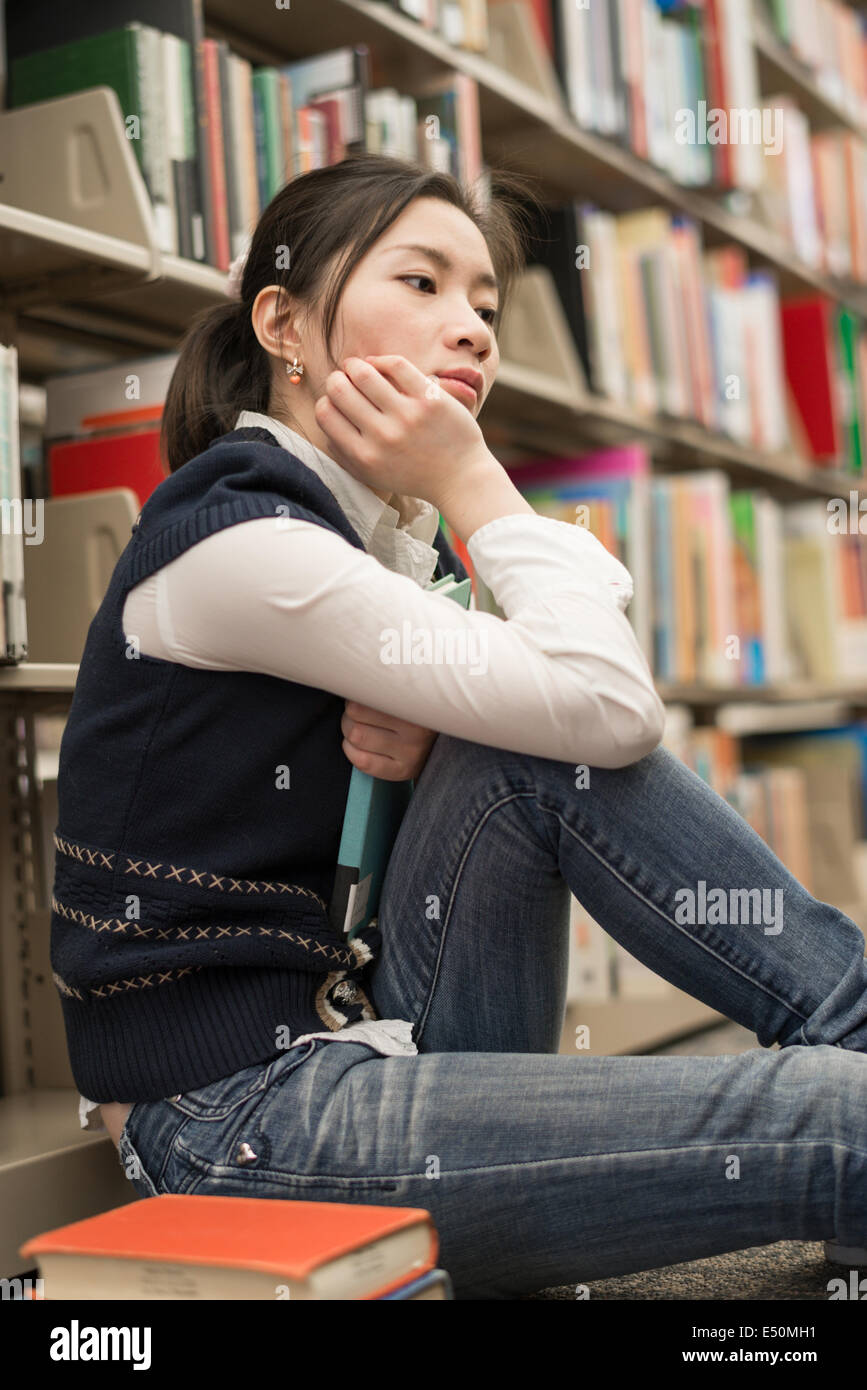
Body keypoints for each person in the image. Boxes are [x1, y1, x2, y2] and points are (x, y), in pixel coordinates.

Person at [54, 154, 867, 1300]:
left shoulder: (386, 544)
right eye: (425, 284)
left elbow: (586, 708)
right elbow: (615, 706)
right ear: (283, 323)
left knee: (516, 741)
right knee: (840, 1118)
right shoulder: (242, 544)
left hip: (366, 1038)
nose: (476, 329)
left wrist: (442, 742)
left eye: (488, 304)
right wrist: (483, 485)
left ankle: (858, 1020)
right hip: (237, 1119)